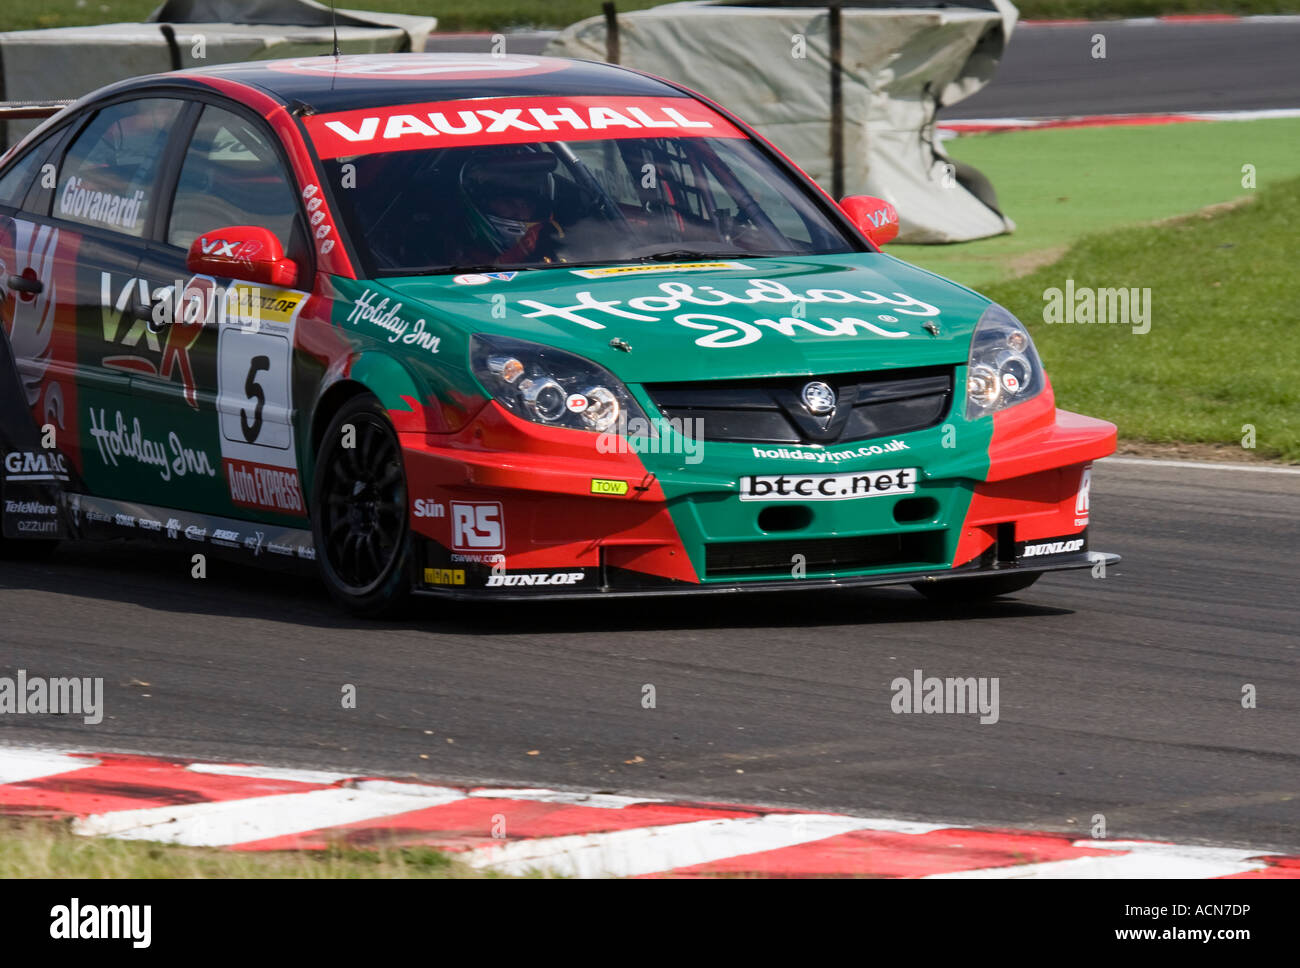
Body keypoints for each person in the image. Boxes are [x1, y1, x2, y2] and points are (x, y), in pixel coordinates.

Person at [456, 149, 566, 265]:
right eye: (508, 203)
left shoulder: (556, 232)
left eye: (527, 204)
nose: (522, 212)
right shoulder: (450, 256)